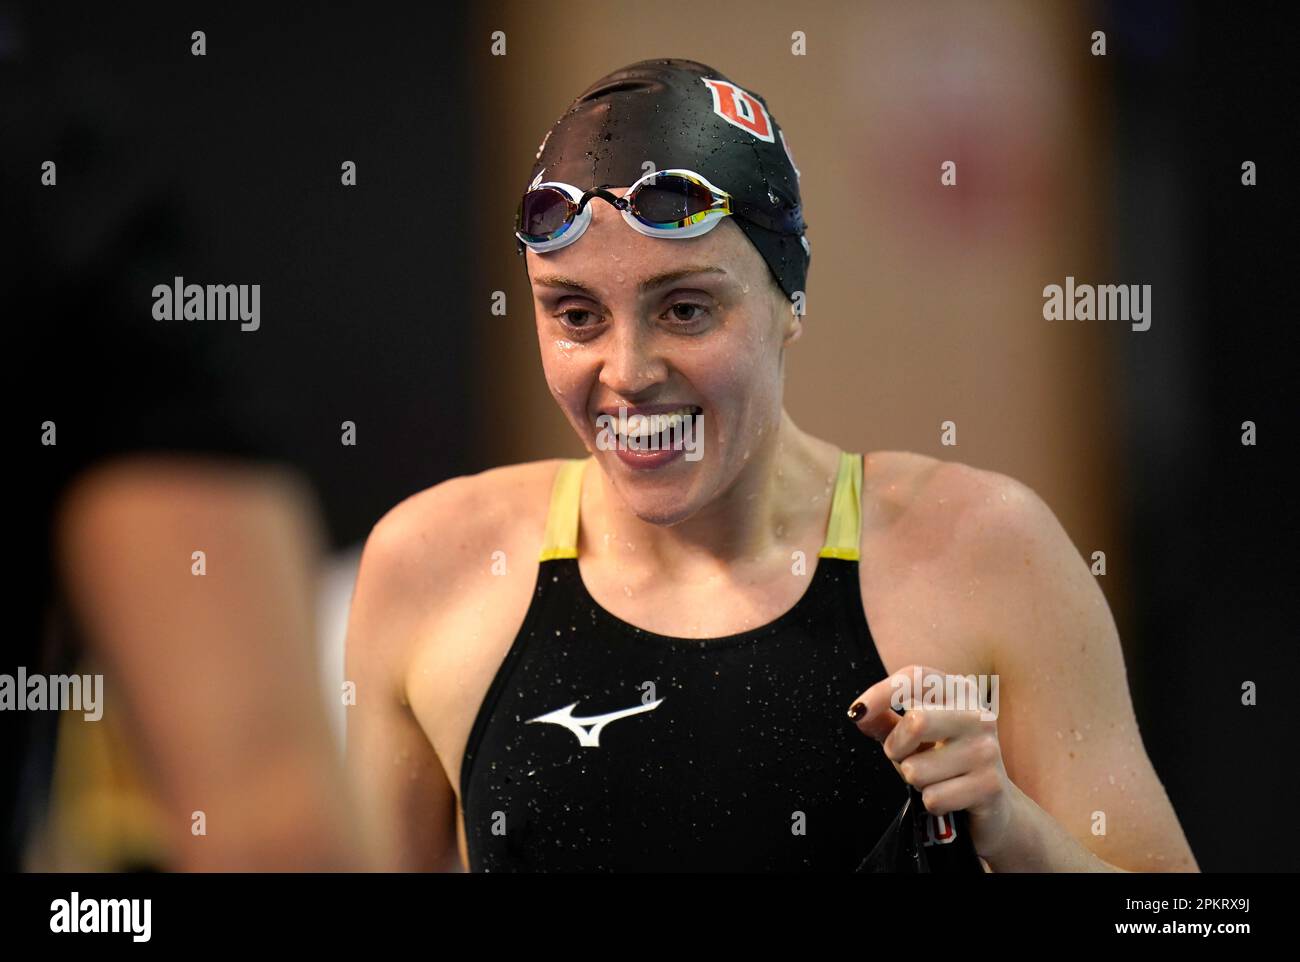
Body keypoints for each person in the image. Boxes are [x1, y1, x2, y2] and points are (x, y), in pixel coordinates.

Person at [343, 59, 1197, 872]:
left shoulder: (987, 552)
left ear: (791, 300)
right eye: (576, 315)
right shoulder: (433, 567)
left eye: (685, 308)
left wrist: (1016, 834)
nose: (628, 373)